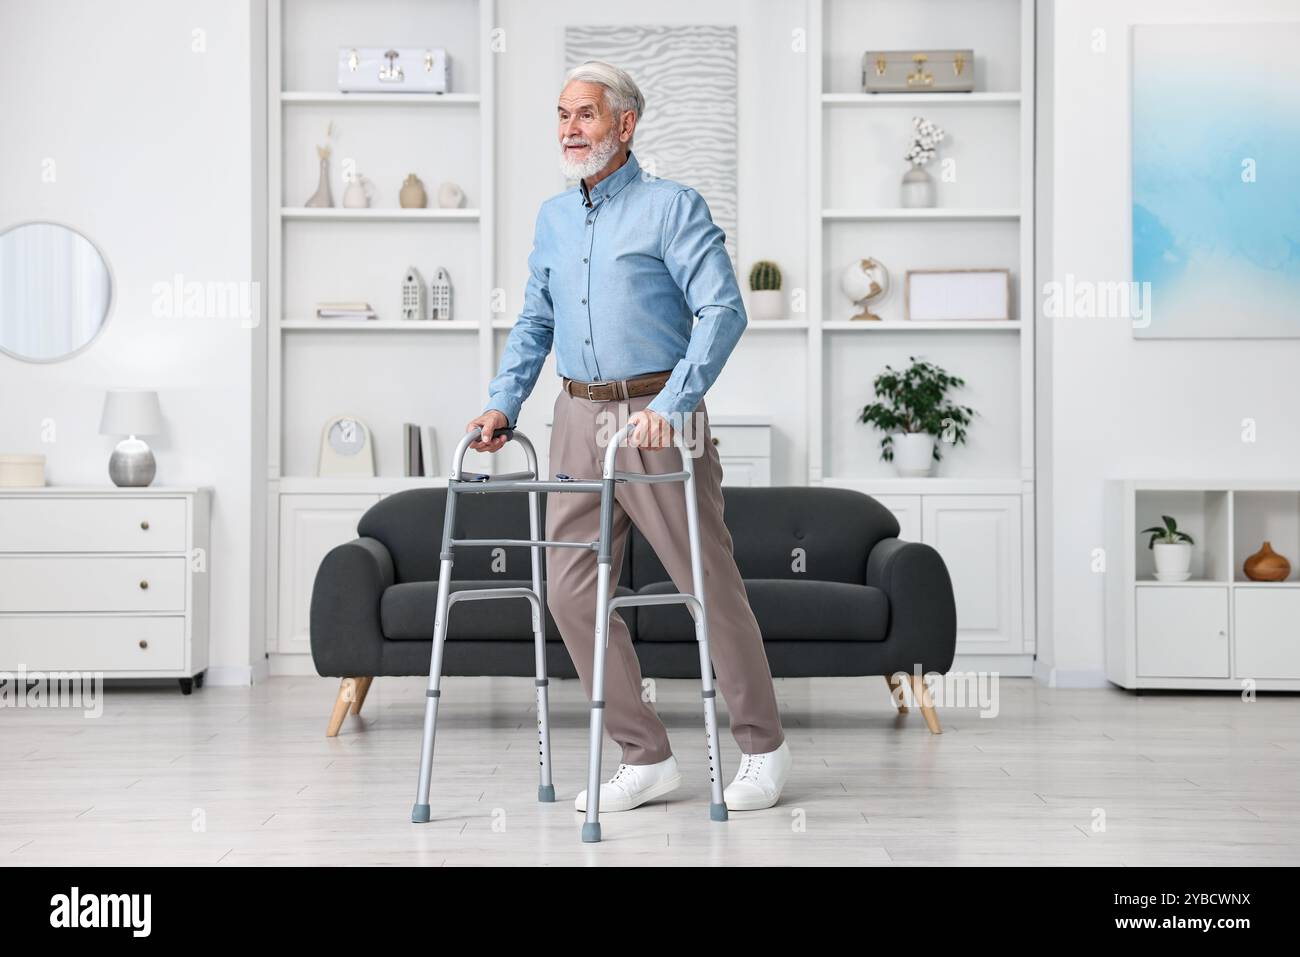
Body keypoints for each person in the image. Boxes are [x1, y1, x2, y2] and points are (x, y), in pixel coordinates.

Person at [465, 60, 790, 813]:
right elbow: (536, 323)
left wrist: (674, 402)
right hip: (576, 416)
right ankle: (644, 754)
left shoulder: (671, 206)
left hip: (656, 415)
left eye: (584, 115)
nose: (570, 129)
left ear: (624, 124)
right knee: (569, 587)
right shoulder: (552, 217)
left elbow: (723, 310)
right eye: (562, 114)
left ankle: (763, 746)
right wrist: (501, 403)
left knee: (703, 582)